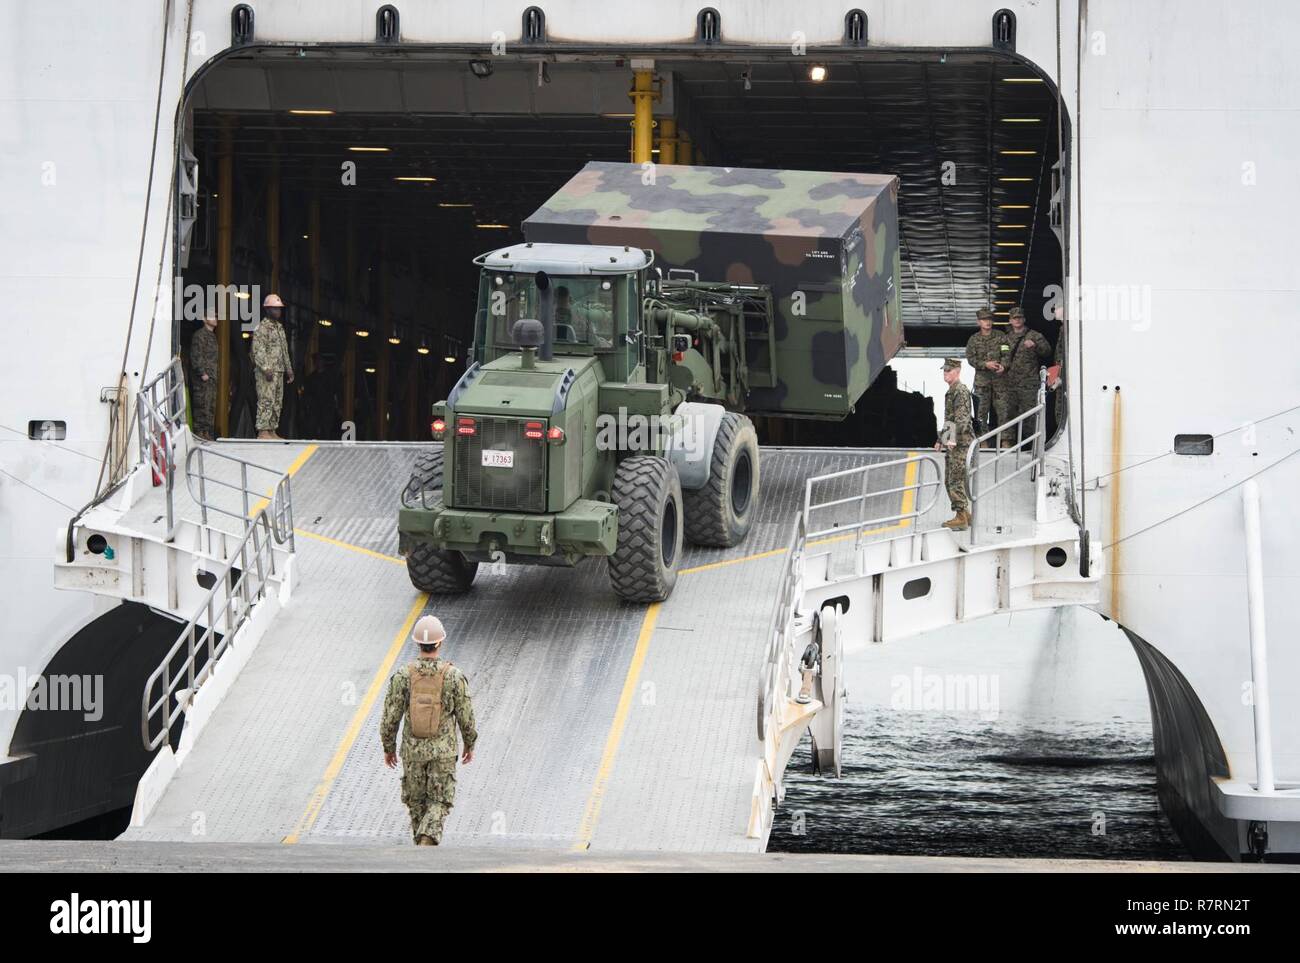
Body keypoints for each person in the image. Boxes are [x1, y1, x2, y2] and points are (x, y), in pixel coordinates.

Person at [380, 615, 477, 847]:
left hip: (413, 753)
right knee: (439, 801)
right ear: (440, 643)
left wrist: (388, 748)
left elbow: (390, 718)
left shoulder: (403, 676)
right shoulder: (453, 676)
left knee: (416, 802)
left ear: (417, 644)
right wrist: (469, 744)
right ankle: (427, 842)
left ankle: (420, 851)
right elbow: (466, 716)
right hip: (442, 753)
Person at [1001, 306, 1052, 444]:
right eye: (1014, 318)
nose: (1017, 320)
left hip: (1029, 384)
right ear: (1010, 321)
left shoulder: (1034, 335)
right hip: (1010, 384)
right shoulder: (1005, 339)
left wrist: (1035, 345)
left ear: (1023, 319)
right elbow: (1004, 355)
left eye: (1019, 317)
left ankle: (1031, 444)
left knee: (1030, 415)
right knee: (1008, 414)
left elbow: (1047, 351)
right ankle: (1008, 443)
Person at [934, 357, 973, 531]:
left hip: (960, 444)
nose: (945, 373)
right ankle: (964, 513)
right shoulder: (952, 391)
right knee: (952, 479)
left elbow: (962, 420)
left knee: (954, 480)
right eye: (944, 370)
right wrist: (940, 439)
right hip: (954, 442)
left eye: (948, 370)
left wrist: (952, 439)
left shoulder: (960, 391)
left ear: (957, 372)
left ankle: (960, 517)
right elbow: (949, 420)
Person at [251, 292, 292, 440]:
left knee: (277, 402)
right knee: (266, 400)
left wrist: (289, 370)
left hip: (279, 371)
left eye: (279, 309)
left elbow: (284, 350)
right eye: (275, 309)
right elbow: (258, 350)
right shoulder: (261, 328)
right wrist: (266, 368)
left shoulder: (279, 328)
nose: (278, 311)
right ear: (267, 309)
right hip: (266, 372)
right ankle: (263, 431)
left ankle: (272, 430)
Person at [964, 307, 1008, 435]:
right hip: (982, 382)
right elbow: (971, 359)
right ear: (979, 322)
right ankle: (982, 441)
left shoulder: (1001, 336)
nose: (987, 322)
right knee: (981, 412)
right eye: (984, 319)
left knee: (1003, 411)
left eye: (989, 319)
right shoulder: (973, 339)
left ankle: (1006, 440)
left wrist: (1003, 366)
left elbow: (1006, 353)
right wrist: (985, 364)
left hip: (1000, 381)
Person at [189, 311, 219, 441]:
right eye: (212, 317)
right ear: (204, 319)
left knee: (210, 406)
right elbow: (196, 355)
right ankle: (200, 433)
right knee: (201, 405)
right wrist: (202, 373)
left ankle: (207, 433)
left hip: (211, 378)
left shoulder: (212, 336)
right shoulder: (199, 335)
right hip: (203, 379)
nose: (215, 319)